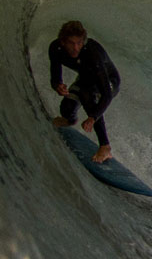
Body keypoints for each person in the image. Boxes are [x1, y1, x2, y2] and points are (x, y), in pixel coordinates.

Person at [47, 19, 121, 163]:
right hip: (86, 79)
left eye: (79, 43)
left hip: (109, 82)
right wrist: (58, 86)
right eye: (71, 43)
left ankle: (105, 147)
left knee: (88, 96)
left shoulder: (92, 53)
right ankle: (70, 120)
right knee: (67, 108)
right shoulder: (56, 49)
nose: (76, 48)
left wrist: (92, 117)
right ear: (63, 42)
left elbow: (106, 95)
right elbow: (55, 77)